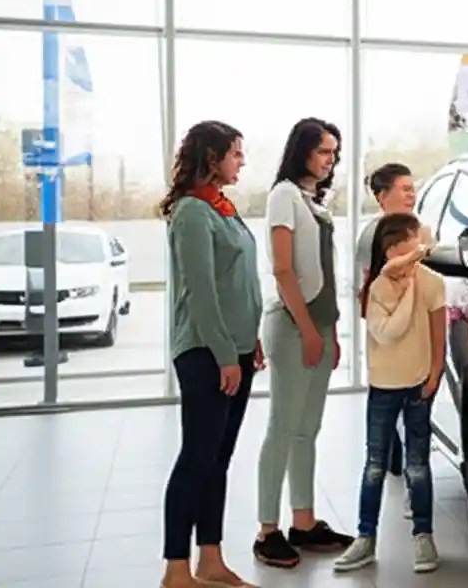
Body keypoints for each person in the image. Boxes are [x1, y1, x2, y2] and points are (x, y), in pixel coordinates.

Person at [159, 120, 262, 588]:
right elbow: (201, 294)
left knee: (218, 459)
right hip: (206, 352)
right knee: (197, 458)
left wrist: (249, 341)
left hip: (234, 349)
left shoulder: (221, 208)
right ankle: (176, 569)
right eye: (235, 153)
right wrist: (225, 354)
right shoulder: (192, 213)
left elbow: (237, 283)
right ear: (212, 157)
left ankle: (211, 560)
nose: (241, 161)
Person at [253, 117, 353, 567]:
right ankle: (267, 530)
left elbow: (325, 273)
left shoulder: (314, 200)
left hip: (320, 325)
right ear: (302, 152)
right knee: (282, 428)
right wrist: (310, 331)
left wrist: (330, 332)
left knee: (306, 430)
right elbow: (282, 269)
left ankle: (304, 522)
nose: (329, 160)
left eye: (333, 152)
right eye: (322, 152)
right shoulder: (283, 196)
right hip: (294, 327)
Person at [334, 212, 445, 574]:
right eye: (401, 247)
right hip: (383, 388)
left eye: (413, 244)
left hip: (417, 386)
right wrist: (405, 284)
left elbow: (437, 333)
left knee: (418, 466)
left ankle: (423, 535)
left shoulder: (431, 283)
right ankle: (365, 538)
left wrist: (434, 374)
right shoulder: (377, 288)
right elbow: (387, 332)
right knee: (375, 466)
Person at [354, 163, 432, 481]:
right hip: (385, 330)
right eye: (404, 188)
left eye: (413, 188)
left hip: (419, 329)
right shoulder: (371, 235)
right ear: (382, 196)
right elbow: (365, 286)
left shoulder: (423, 233)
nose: (411, 194)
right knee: (388, 398)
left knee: (416, 400)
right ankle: (393, 457)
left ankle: (411, 467)